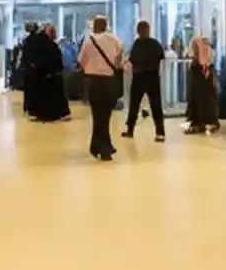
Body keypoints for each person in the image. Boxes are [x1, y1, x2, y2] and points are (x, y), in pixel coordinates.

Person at [78, 15, 124, 161]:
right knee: (106, 116)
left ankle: (101, 147)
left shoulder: (89, 41)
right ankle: (102, 146)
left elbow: (81, 61)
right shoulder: (115, 40)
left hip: (94, 82)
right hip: (110, 83)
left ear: (95, 26)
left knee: (97, 115)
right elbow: (120, 61)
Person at [124, 20, 166, 141]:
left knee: (134, 105)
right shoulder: (155, 44)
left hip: (139, 76)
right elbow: (160, 58)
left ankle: (130, 130)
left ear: (138, 31)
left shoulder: (137, 44)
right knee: (156, 105)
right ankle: (160, 132)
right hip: (152, 76)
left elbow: (132, 60)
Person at [33, 24, 71, 122]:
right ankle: (58, 113)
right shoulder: (52, 46)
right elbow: (58, 61)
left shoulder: (41, 45)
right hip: (53, 75)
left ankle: (47, 114)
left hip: (46, 76)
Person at [185, 35, 220, 135]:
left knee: (206, 100)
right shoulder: (197, 67)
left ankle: (206, 122)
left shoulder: (207, 68)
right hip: (199, 75)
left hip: (203, 76)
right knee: (197, 99)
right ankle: (198, 122)